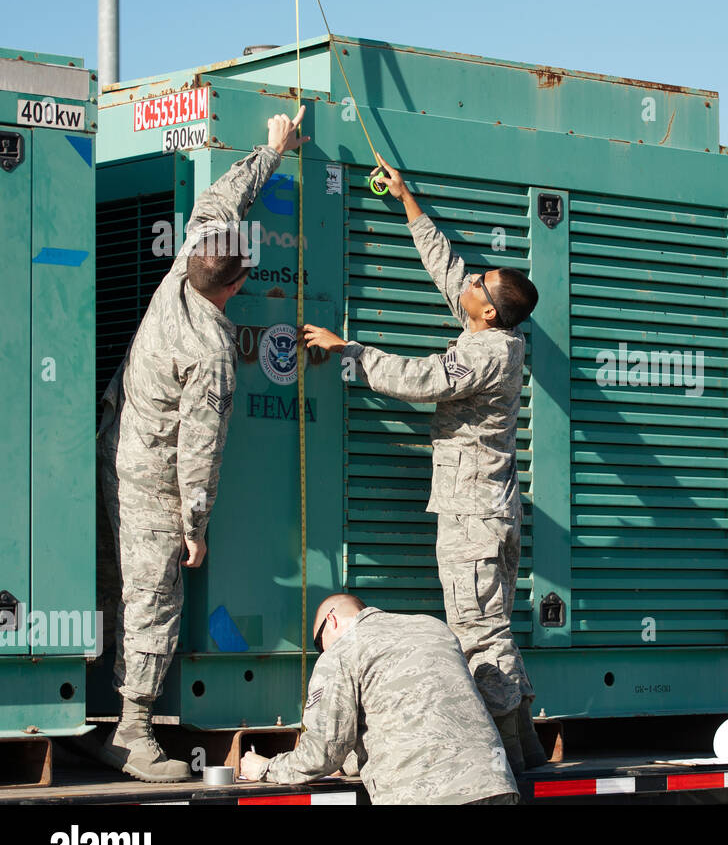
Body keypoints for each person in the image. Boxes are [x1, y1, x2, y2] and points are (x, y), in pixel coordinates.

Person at [301, 153, 544, 774]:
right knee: (490, 629)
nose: (468, 282)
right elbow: (449, 271)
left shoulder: (488, 355)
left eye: (480, 284)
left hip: (473, 516)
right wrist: (407, 200)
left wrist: (347, 349)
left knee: (478, 635)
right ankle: (525, 750)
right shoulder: (488, 328)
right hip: (484, 511)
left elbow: (422, 377)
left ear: (488, 310)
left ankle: (511, 759)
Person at [95, 109, 308, 782]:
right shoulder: (212, 348)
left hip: (114, 450)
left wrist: (270, 150)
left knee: (118, 589)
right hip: (154, 478)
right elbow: (201, 449)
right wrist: (194, 527)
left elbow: (219, 202)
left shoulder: (180, 271)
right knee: (154, 601)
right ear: (237, 284)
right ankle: (131, 735)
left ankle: (98, 702)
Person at [239, 594, 519, 804]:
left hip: (426, 794)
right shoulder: (433, 628)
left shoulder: (342, 651)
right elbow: (414, 718)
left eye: (318, 643)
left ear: (332, 620)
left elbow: (322, 752)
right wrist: (347, 763)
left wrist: (264, 768)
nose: (322, 651)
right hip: (494, 784)